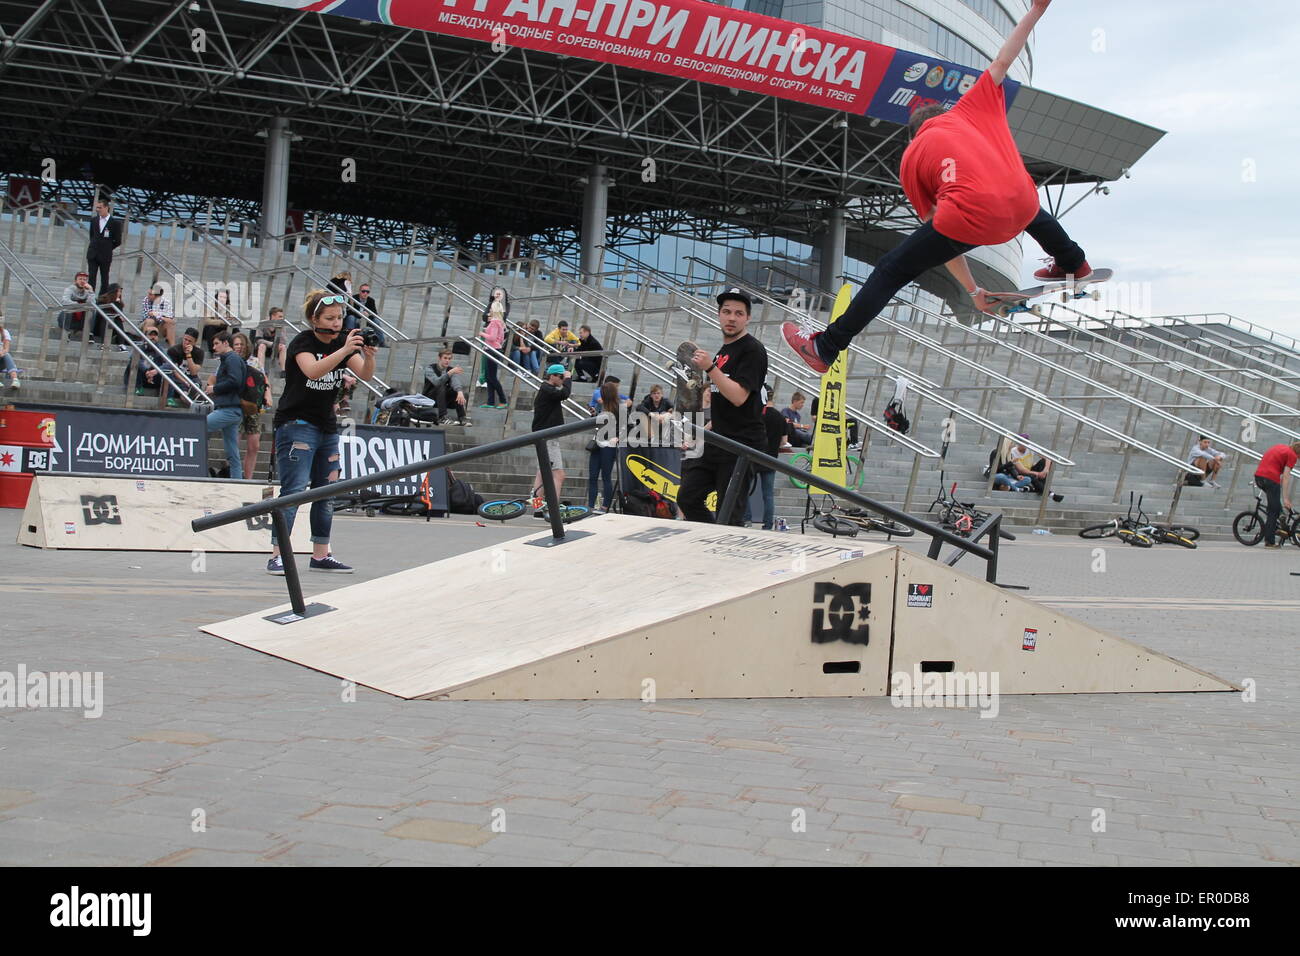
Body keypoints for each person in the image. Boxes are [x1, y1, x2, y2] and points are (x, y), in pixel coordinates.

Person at [782, 0, 1093, 374]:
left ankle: (827, 345)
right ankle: (1074, 262)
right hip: (1024, 206)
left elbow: (940, 234)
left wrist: (974, 291)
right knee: (1018, 197)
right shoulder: (969, 110)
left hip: (969, 220)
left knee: (892, 270)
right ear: (945, 115)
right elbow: (1002, 62)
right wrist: (1036, 12)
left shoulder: (913, 157)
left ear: (913, 135)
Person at [267, 289, 377, 575]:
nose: (336, 323)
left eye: (339, 317)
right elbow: (313, 371)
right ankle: (277, 554)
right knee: (293, 490)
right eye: (329, 318)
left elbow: (364, 375)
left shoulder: (342, 343)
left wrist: (368, 354)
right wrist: (344, 350)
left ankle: (320, 554)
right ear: (314, 318)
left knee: (326, 491)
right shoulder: (302, 342)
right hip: (296, 424)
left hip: (326, 425)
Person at [679, 289, 768, 525]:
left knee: (728, 511)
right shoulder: (722, 353)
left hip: (741, 444)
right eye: (726, 312)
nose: (731, 318)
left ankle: (723, 544)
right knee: (687, 497)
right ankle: (711, 539)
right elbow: (722, 404)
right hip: (718, 440)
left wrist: (710, 369)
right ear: (718, 315)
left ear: (747, 318)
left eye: (739, 313)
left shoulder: (752, 350)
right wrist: (702, 432)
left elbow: (739, 397)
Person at [744, 387, 789, 530]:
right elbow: (784, 441)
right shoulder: (780, 417)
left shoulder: (757, 414)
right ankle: (768, 523)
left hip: (754, 456)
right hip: (771, 459)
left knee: (745, 489)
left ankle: (747, 519)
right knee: (768, 494)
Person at [205, 331, 247, 478]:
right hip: (232, 409)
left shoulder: (232, 359)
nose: (214, 347)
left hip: (229, 409)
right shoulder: (230, 359)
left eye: (216, 343)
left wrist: (214, 388)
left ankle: (196, 468)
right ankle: (237, 482)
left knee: (198, 429)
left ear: (226, 343)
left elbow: (234, 381)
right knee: (232, 451)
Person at [531, 363, 571, 513]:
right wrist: (568, 379)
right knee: (559, 475)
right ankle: (552, 510)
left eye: (563, 377)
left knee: (541, 473)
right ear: (552, 375)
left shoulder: (547, 389)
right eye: (560, 377)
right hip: (547, 437)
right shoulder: (547, 389)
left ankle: (538, 508)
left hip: (544, 436)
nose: (562, 380)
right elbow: (564, 394)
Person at [232, 332, 272, 480]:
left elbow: (263, 379)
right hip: (235, 406)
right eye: (236, 344)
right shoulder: (229, 360)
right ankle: (233, 476)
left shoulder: (254, 361)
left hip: (252, 406)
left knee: (254, 445)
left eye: (241, 344)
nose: (239, 347)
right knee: (234, 443)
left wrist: (267, 395)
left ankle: (248, 478)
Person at [588, 381, 630, 511]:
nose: (601, 396)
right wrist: (594, 414)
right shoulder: (603, 406)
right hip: (598, 441)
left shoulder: (620, 407)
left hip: (610, 444)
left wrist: (618, 437)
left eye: (603, 393)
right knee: (593, 476)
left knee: (606, 476)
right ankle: (590, 505)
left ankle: (605, 505)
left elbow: (628, 425)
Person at [1254, 440, 1300, 549]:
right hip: (1271, 479)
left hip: (1259, 477)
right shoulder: (1292, 455)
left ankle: (1281, 517)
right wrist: (1285, 499)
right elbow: (1285, 477)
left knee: (1274, 503)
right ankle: (1269, 541)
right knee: (1272, 511)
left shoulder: (1280, 446)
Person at [423, 348, 471, 426]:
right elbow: (437, 382)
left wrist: (459, 391)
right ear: (439, 358)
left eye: (449, 358)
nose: (447, 361)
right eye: (445, 358)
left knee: (456, 391)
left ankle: (462, 418)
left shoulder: (451, 370)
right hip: (429, 399)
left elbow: (455, 381)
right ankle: (442, 417)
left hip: (444, 400)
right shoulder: (430, 368)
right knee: (440, 386)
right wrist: (449, 373)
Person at [85, 197, 122, 295]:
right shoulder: (94, 220)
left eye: (100, 208)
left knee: (104, 278)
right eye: (97, 208)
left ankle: (102, 299)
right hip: (93, 253)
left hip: (105, 255)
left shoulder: (115, 223)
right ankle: (90, 297)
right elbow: (92, 236)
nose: (98, 210)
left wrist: (108, 248)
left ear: (106, 208)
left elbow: (118, 241)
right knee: (91, 277)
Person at [479, 288, 508, 408]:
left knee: (492, 377)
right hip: (493, 349)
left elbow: (492, 337)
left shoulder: (495, 322)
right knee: (489, 376)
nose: (489, 310)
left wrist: (481, 333)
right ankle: (490, 401)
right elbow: (499, 338)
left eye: (491, 308)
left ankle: (503, 399)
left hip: (493, 349)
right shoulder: (500, 323)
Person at [162, 327, 205, 407]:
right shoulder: (173, 350)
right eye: (185, 339)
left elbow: (194, 372)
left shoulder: (199, 352)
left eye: (190, 341)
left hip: (191, 377)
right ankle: (189, 396)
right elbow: (173, 370)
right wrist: (185, 381)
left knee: (196, 383)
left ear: (195, 342)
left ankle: (193, 396)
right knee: (184, 391)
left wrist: (188, 355)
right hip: (177, 377)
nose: (186, 342)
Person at [92, 283, 130, 350]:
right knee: (107, 318)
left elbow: (119, 313)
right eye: (118, 291)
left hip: (113, 327)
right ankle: (104, 343)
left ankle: (121, 344)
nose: (119, 294)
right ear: (113, 292)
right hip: (101, 325)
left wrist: (117, 304)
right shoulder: (102, 300)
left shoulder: (119, 303)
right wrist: (114, 303)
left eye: (120, 292)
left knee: (118, 319)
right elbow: (100, 313)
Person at [59, 272, 96, 337]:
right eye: (80, 279)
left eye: (84, 280)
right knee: (68, 308)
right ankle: (66, 333)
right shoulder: (69, 289)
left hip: (81, 322)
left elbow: (92, 304)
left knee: (91, 310)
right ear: (76, 281)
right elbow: (64, 301)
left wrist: (91, 290)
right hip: (68, 320)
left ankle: (89, 334)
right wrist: (79, 305)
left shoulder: (88, 292)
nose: (82, 281)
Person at [253, 306, 288, 371]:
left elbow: (283, 341)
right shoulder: (262, 323)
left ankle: (283, 370)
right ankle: (261, 369)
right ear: (273, 316)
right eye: (280, 316)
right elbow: (258, 340)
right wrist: (271, 344)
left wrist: (279, 329)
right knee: (262, 346)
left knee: (283, 347)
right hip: (263, 348)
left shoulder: (282, 325)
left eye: (282, 317)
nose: (282, 318)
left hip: (274, 349)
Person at [0, 313, 19, 390]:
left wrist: (2, 352)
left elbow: (6, 349)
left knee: (7, 354)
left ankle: (15, 380)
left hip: (1, 360)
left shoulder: (4, 332)